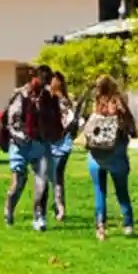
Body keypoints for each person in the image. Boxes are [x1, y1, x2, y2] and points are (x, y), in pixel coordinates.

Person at [3, 65, 61, 231]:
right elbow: (12, 121)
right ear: (33, 78)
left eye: (46, 81)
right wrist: (23, 137)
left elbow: (54, 120)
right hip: (20, 146)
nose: (43, 85)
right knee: (18, 183)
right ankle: (9, 211)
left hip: (40, 146)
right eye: (41, 80)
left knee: (42, 183)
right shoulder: (20, 95)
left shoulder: (49, 98)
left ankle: (39, 218)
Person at [84, 75, 137, 239]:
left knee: (99, 192)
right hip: (116, 155)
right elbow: (132, 129)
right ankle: (128, 224)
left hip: (96, 155)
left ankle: (101, 227)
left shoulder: (97, 106)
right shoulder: (118, 104)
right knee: (122, 192)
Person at [45, 71, 77, 222]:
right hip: (50, 142)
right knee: (53, 176)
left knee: (56, 175)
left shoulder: (63, 100)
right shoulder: (46, 98)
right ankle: (57, 206)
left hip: (62, 142)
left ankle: (59, 207)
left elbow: (69, 120)